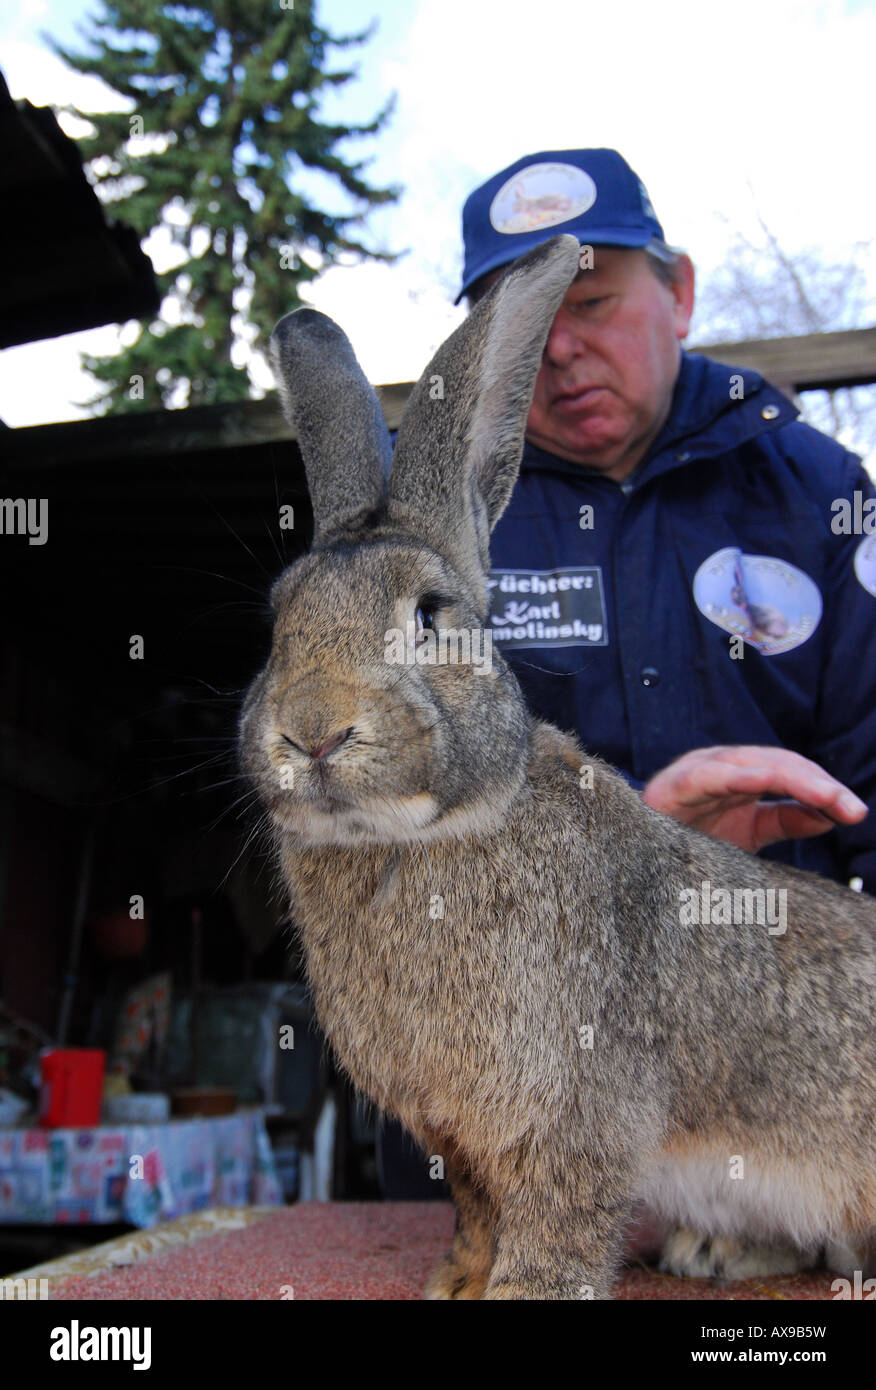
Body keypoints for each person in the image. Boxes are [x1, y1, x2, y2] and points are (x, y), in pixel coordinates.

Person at [377, 149, 876, 1269]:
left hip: (767, 1068)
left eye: (590, 300)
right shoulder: (433, 530)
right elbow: (381, 819)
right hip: (519, 1071)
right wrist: (634, 846)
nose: (557, 348)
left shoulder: (817, 490)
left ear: (681, 291)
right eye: (520, 320)